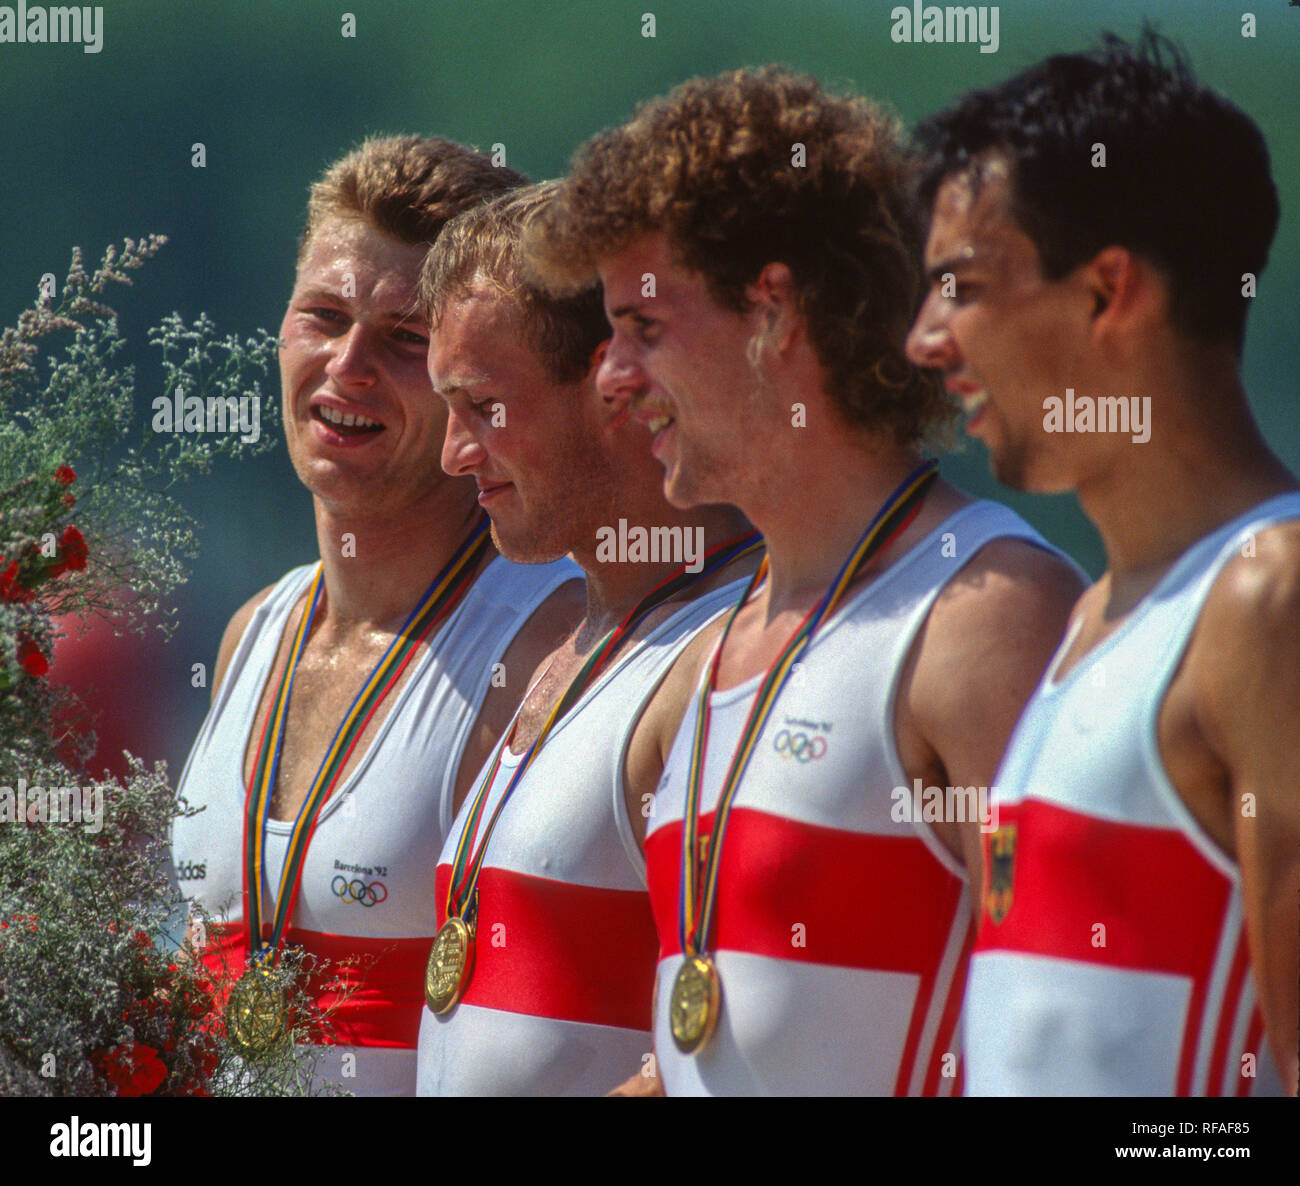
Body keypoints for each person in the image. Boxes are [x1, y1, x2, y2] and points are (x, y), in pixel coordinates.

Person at [527, 65, 1085, 1095]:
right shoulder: (706, 657)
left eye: (643, 329)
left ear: (773, 313)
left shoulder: (986, 616)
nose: (609, 378)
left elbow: (1083, 1030)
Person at [906, 31, 1300, 1096]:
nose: (923, 338)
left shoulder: (1272, 598)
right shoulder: (1099, 614)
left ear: (1107, 292)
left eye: (961, 287)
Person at [170, 136, 584, 1096]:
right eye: (322, 316)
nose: (346, 366)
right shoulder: (252, 633)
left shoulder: (548, 650)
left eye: (404, 340)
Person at [414, 183, 760, 1095]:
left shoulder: (733, 649)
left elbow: (753, 1038)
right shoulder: (577, 634)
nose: (454, 452)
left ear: (615, 387)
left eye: (482, 404)